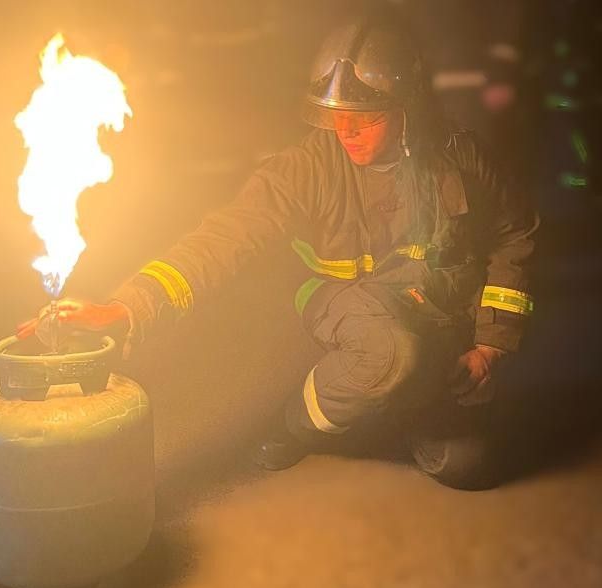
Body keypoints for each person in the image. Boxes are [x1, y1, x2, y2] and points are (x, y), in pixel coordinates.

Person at [41, 9, 538, 490]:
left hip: (434, 318)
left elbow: (515, 235)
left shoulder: (462, 158)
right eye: (337, 115)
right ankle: (296, 423)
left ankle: (394, 397)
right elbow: (225, 238)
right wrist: (130, 306)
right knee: (387, 351)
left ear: (407, 107)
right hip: (343, 304)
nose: (347, 131)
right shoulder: (308, 168)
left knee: (467, 465)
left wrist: (489, 348)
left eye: (366, 116)